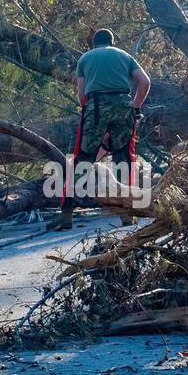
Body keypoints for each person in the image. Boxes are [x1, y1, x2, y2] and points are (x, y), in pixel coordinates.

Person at [48, 28, 151, 231]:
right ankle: (127, 214)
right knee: (123, 157)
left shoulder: (85, 59)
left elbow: (82, 95)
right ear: (112, 42)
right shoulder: (125, 56)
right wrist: (135, 107)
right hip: (124, 105)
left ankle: (67, 214)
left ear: (94, 44)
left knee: (83, 158)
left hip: (96, 106)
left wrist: (94, 115)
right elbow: (145, 82)